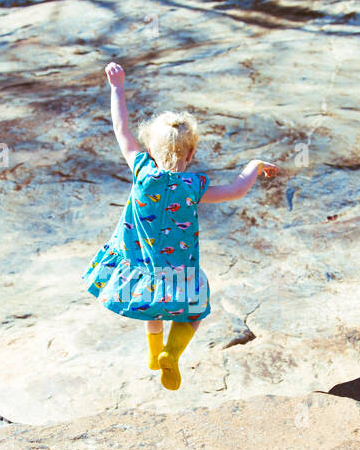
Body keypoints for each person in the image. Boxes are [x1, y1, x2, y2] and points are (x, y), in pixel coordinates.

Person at [84, 61, 279, 390]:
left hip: (142, 269)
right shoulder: (192, 186)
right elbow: (235, 190)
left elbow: (122, 130)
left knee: (153, 310)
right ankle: (171, 357)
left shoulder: (142, 170)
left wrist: (117, 87)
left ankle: (154, 352)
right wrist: (254, 165)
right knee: (195, 312)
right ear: (191, 154)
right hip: (180, 272)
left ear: (150, 150)